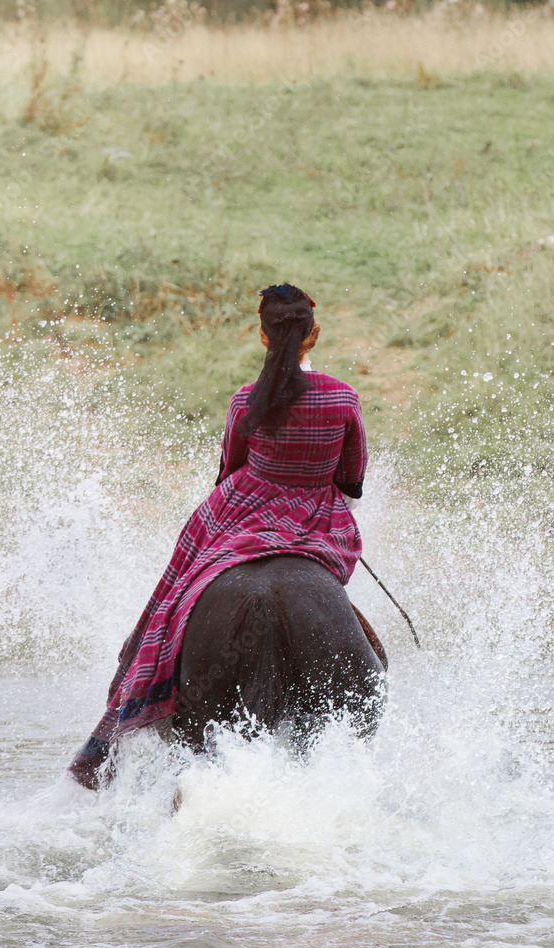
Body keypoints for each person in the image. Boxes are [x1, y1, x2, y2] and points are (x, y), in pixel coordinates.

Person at [68, 283, 368, 787]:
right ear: (313, 336)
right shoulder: (342, 397)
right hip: (317, 518)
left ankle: (118, 718)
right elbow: (352, 481)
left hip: (239, 511)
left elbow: (230, 469)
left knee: (168, 600)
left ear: (262, 337)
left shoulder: (244, 401)